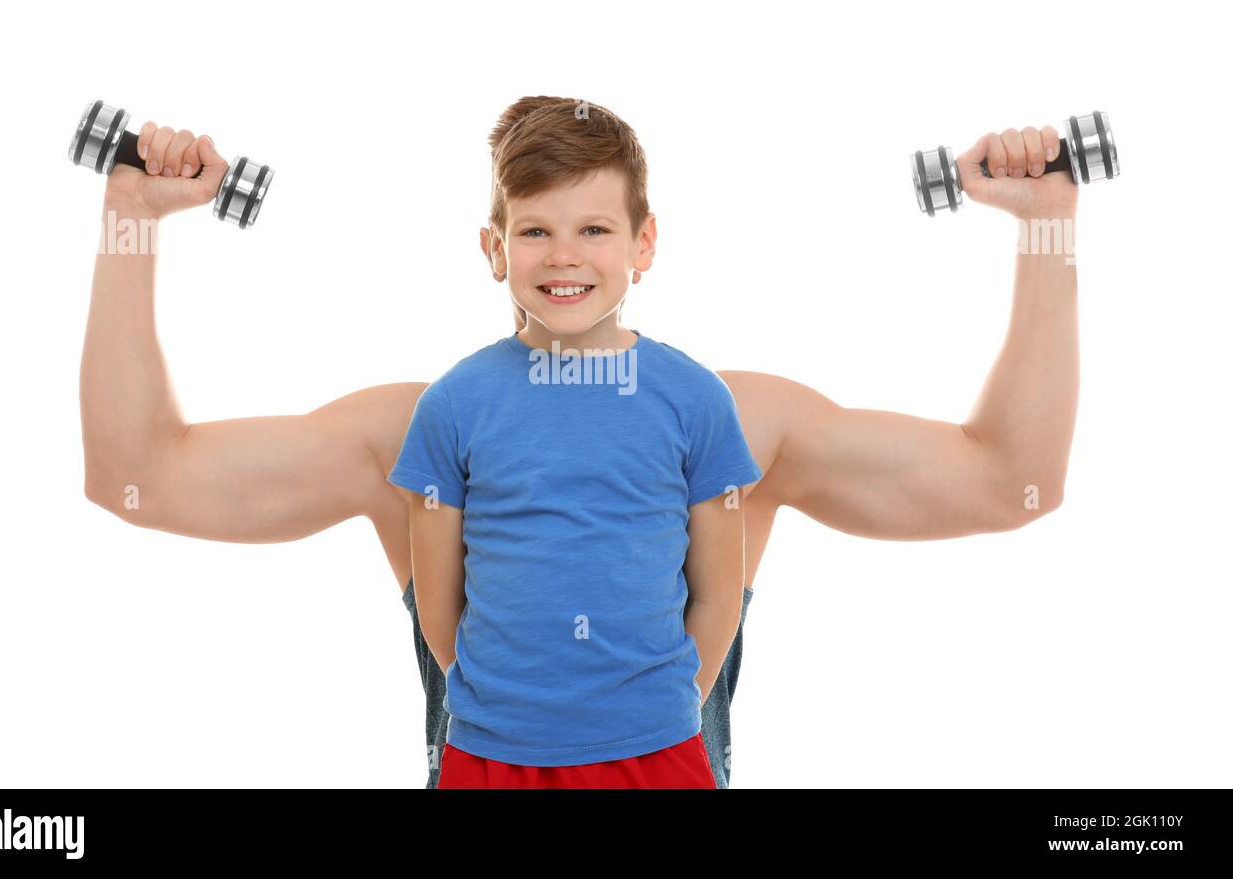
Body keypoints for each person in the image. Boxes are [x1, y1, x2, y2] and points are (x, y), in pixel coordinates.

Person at [81, 96, 1079, 788]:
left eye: (596, 231)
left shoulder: (727, 422)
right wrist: (131, 218)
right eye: (537, 231)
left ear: (644, 244)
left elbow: (1009, 483)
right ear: (496, 248)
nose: (566, 257)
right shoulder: (424, 429)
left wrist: (1045, 229)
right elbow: (138, 478)